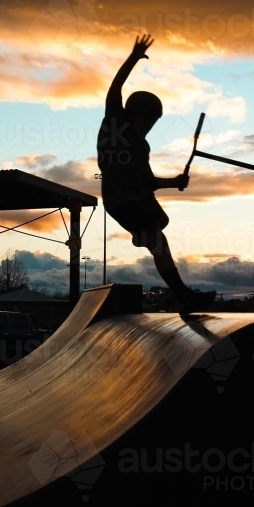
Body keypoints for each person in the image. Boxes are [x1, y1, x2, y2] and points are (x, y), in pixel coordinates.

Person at [97, 34, 216, 314]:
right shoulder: (116, 124)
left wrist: (175, 182)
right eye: (148, 119)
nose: (150, 125)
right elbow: (115, 88)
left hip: (139, 198)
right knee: (158, 241)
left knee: (162, 220)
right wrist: (133, 57)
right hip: (121, 201)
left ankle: (141, 237)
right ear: (135, 113)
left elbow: (148, 182)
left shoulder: (142, 146)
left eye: (154, 122)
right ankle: (183, 296)